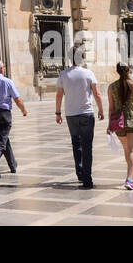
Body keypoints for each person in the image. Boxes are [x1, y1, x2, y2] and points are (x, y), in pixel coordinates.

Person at [55, 53, 104, 189]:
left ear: (70, 59)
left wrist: (58, 113)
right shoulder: (88, 73)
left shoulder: (63, 74)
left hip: (71, 115)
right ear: (82, 59)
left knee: (76, 144)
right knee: (87, 146)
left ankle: (80, 173)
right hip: (86, 113)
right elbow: (96, 93)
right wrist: (101, 109)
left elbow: (59, 95)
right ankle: (87, 179)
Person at [107, 62, 133, 190]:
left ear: (117, 72)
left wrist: (109, 124)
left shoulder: (111, 87)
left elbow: (111, 108)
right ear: (129, 71)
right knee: (132, 151)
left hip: (118, 123)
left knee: (127, 150)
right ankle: (129, 179)